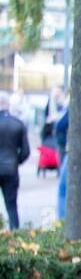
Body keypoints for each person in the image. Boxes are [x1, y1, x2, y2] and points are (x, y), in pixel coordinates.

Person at [0, 92, 31, 230]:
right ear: (7, 104)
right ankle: (15, 233)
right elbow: (25, 151)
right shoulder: (18, 124)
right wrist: (15, 161)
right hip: (11, 169)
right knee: (11, 205)